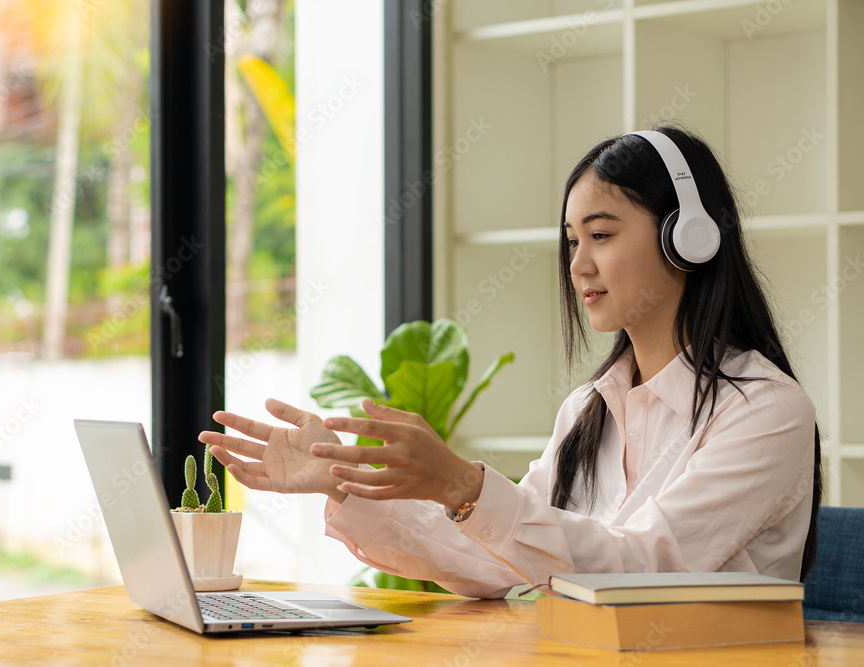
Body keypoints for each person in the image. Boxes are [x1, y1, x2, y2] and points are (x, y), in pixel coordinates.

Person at [198, 125, 822, 599]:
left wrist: (465, 487)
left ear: (688, 237)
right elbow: (496, 561)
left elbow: (644, 572)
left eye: (601, 236)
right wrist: (345, 483)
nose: (578, 266)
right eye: (573, 241)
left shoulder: (766, 411)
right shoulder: (588, 410)